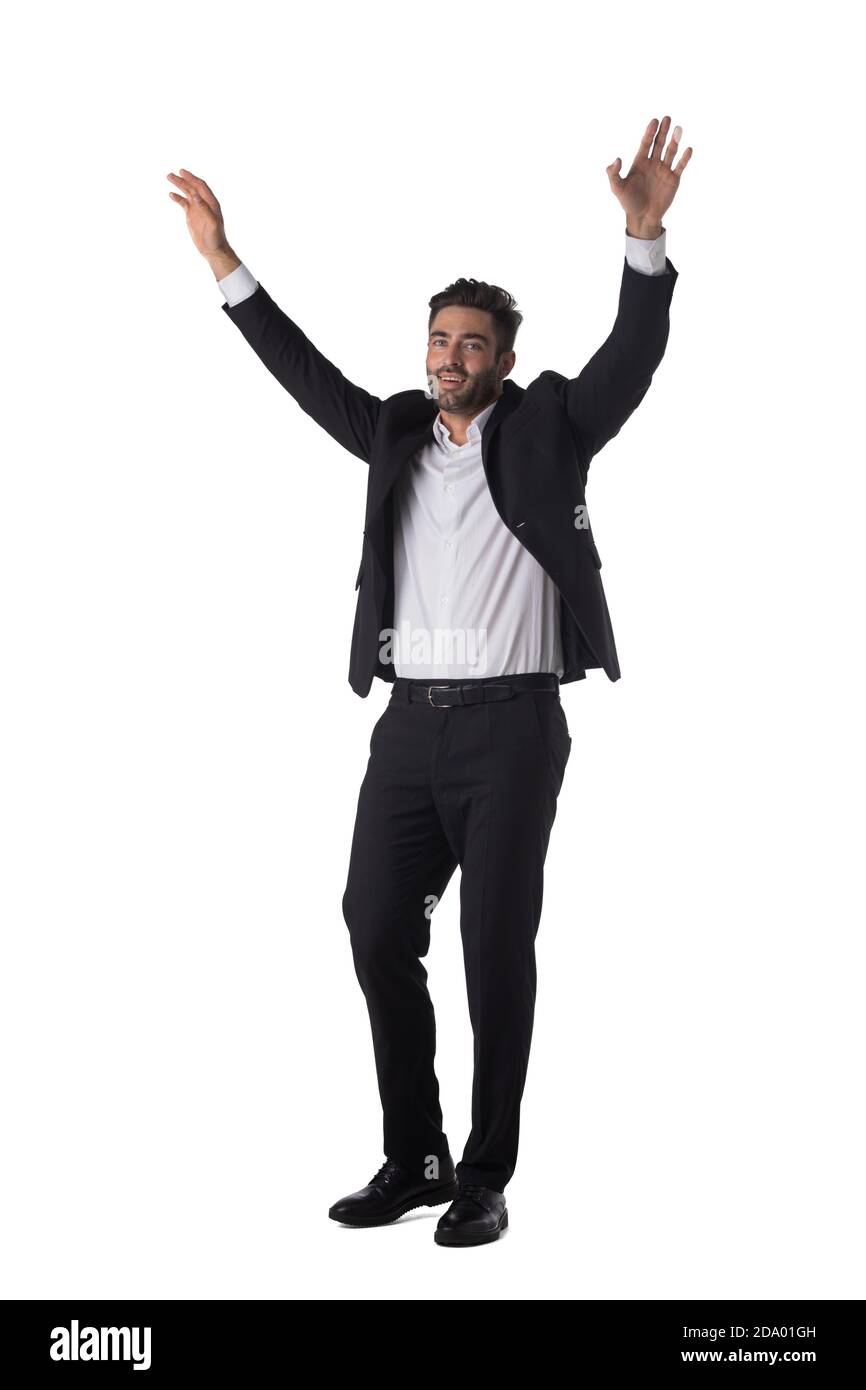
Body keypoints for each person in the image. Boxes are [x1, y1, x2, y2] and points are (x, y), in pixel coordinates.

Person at [168, 116, 691, 1247]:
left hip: (512, 730)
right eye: (437, 340)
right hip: (406, 735)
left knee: (492, 949)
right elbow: (304, 377)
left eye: (469, 344)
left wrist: (641, 244)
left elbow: (629, 362)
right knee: (370, 927)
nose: (448, 357)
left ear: (502, 355)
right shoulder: (397, 432)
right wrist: (225, 262)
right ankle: (413, 1154)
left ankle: (486, 1175)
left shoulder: (550, 423)